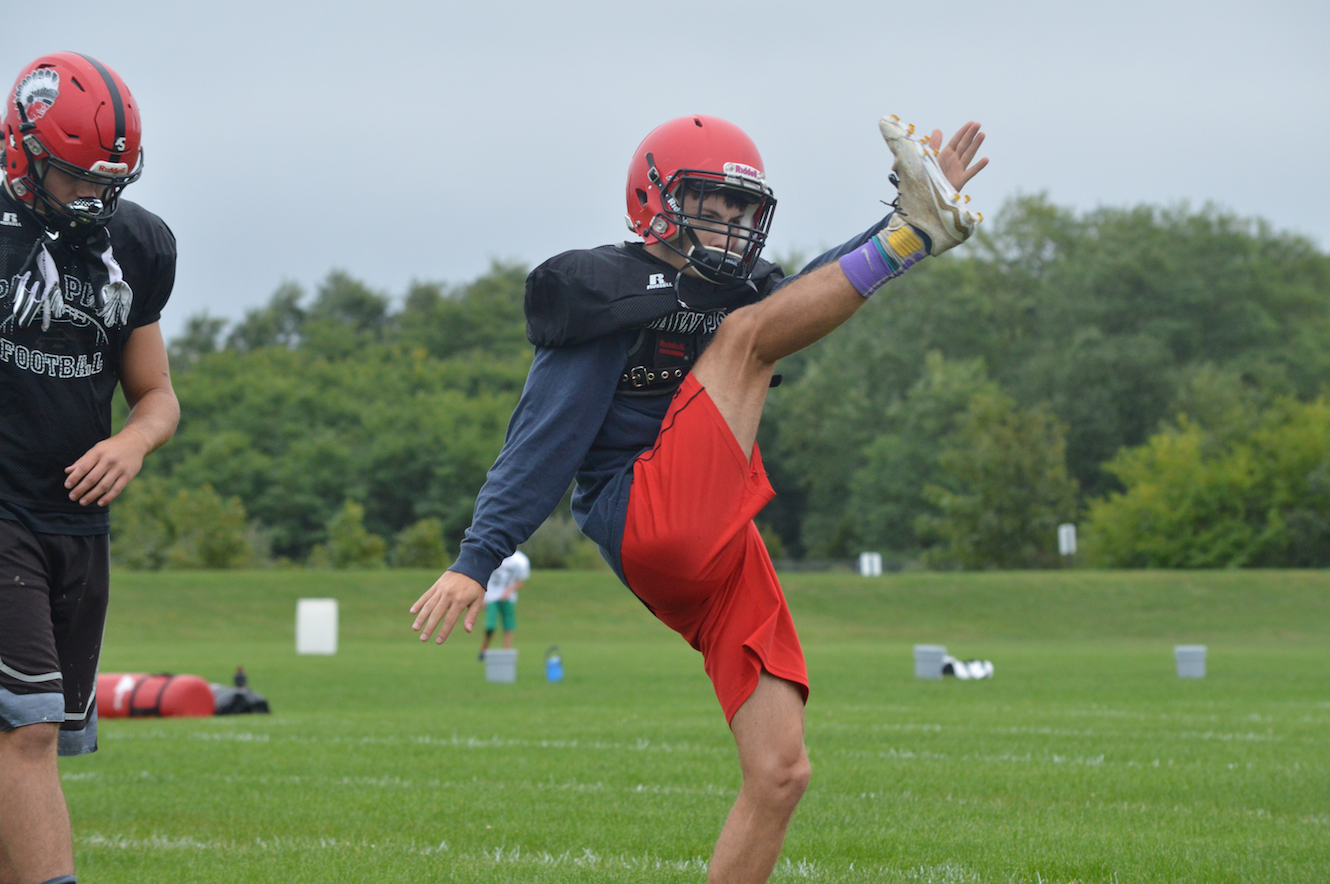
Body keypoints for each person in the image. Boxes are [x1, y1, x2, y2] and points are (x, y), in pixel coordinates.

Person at [412, 112, 987, 883]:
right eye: (711, 207)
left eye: (742, 212)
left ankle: (912, 230)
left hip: (720, 540)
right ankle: (914, 232)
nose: (731, 227)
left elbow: (812, 287)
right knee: (747, 336)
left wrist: (899, 222)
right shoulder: (606, 291)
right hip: (645, 512)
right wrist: (477, 559)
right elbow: (541, 442)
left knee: (781, 773)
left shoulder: (738, 295)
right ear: (654, 199)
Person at [0, 53, 178, 884]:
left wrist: (131, 443)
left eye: (109, 178)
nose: (94, 196)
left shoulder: (135, 243)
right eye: (75, 175)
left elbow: (157, 396)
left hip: (75, 524)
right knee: (27, 728)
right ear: (22, 149)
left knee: (36, 741)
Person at [478, 549, 530, 659]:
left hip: (508, 598)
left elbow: (520, 582)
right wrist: (482, 597)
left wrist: (509, 589)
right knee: (490, 626)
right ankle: (484, 649)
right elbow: (483, 577)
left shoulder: (519, 560)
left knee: (508, 626)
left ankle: (507, 653)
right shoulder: (491, 555)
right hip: (492, 596)